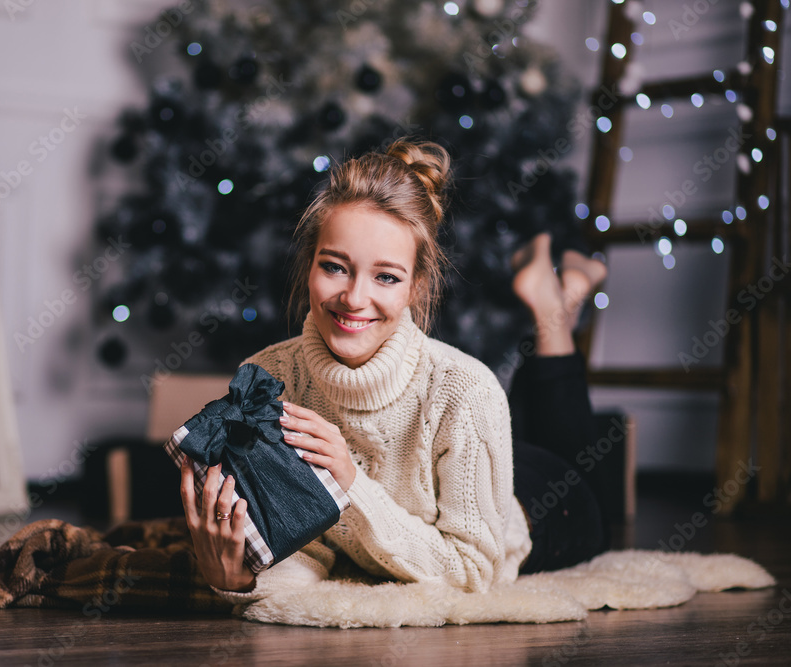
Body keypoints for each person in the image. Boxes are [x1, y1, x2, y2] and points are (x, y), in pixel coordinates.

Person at [180, 137, 609, 602]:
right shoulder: (266, 378)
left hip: (546, 507)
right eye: (335, 267)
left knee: (585, 471)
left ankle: (553, 317)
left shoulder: (466, 390)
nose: (355, 298)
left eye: (386, 276)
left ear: (416, 288)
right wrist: (237, 580)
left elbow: (472, 575)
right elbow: (301, 552)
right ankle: (558, 306)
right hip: (470, 462)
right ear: (309, 266)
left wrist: (350, 483)